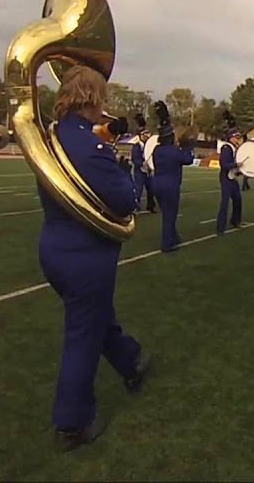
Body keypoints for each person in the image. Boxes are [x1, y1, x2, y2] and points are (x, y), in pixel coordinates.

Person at [35, 65, 150, 451]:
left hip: (54, 246)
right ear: (93, 98)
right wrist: (120, 168)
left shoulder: (53, 136)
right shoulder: (91, 146)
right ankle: (73, 422)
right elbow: (125, 200)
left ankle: (130, 360)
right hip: (86, 253)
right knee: (82, 335)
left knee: (95, 316)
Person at [148, 101, 196, 253]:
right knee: (170, 215)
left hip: (156, 183)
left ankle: (174, 236)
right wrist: (188, 146)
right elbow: (188, 160)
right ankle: (166, 244)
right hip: (170, 185)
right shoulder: (174, 151)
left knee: (167, 212)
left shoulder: (156, 150)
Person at [215, 112, 244, 236]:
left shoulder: (233, 148)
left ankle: (235, 221)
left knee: (238, 200)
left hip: (231, 178)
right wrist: (236, 164)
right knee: (225, 202)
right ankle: (220, 228)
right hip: (226, 178)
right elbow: (224, 164)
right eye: (236, 137)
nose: (238, 139)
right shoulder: (226, 148)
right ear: (230, 137)